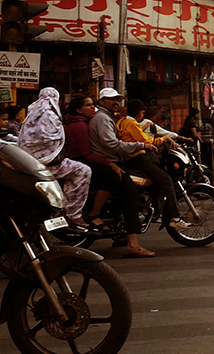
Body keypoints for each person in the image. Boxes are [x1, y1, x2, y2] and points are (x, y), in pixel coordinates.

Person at [88, 88, 162, 257]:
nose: (116, 101)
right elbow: (112, 144)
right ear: (102, 101)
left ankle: (120, 234)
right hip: (109, 162)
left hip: (113, 160)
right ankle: (132, 244)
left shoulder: (109, 118)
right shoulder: (103, 119)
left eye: (117, 99)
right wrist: (141, 145)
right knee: (131, 196)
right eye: (111, 99)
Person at [16, 88, 92, 227]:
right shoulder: (50, 116)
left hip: (28, 161)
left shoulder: (31, 115)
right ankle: (73, 213)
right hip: (47, 164)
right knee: (83, 171)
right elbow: (52, 140)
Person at [117, 98, 191, 234]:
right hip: (137, 158)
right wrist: (164, 139)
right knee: (166, 180)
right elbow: (145, 140)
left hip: (130, 158)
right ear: (141, 112)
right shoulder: (131, 123)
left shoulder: (122, 122)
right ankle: (175, 217)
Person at [63, 95, 130, 229]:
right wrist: (110, 164)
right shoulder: (79, 125)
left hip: (82, 158)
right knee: (111, 176)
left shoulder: (86, 122)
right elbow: (86, 154)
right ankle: (95, 214)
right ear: (78, 110)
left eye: (93, 104)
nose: (93, 107)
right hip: (79, 159)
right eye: (88, 105)